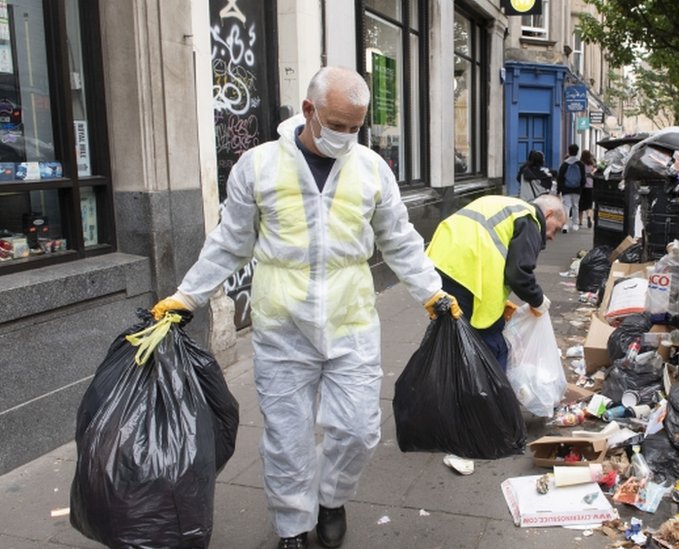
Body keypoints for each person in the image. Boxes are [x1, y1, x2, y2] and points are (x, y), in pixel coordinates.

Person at [151, 66, 460, 549]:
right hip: (282, 327)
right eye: (336, 125)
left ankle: (331, 498)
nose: (346, 136)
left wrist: (431, 291)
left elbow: (400, 241)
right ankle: (292, 527)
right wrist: (187, 296)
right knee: (287, 441)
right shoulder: (258, 166)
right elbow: (230, 243)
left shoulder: (371, 168)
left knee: (358, 432)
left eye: (355, 128)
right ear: (309, 111)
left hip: (351, 323)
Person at [425, 194, 566, 369]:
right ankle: (489, 393)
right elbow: (519, 274)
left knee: (455, 336)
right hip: (464, 272)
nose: (552, 236)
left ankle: (453, 385)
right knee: (491, 346)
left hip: (441, 261)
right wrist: (538, 300)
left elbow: (493, 252)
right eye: (557, 228)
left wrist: (501, 300)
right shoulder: (529, 219)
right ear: (548, 214)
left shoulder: (506, 204)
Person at [556, 144, 585, 232]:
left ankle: (565, 225)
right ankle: (575, 224)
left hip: (566, 188)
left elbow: (560, 177)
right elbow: (583, 178)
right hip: (577, 189)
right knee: (575, 206)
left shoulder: (564, 164)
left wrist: (559, 190)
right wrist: (581, 187)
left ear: (569, 151)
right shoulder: (580, 164)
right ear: (577, 151)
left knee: (566, 206)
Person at [578, 149, 596, 229]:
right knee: (589, 205)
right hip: (590, 186)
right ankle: (589, 216)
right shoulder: (592, 165)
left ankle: (580, 222)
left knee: (580, 205)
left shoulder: (580, 164)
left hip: (581, 186)